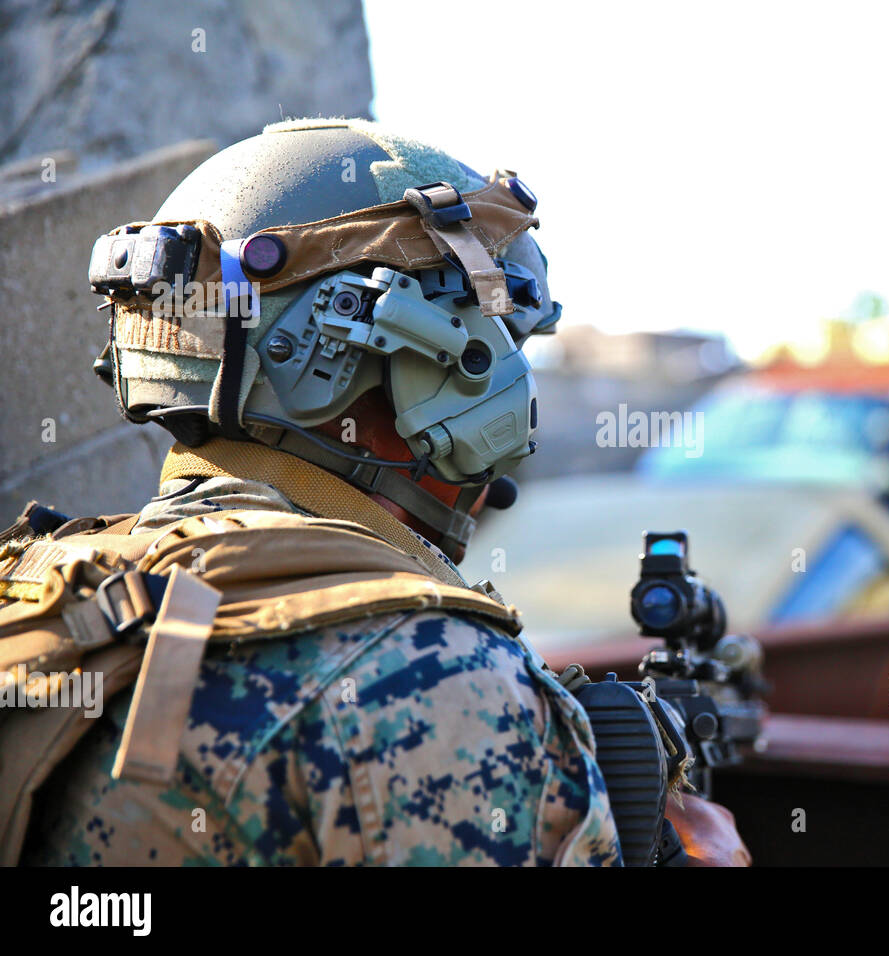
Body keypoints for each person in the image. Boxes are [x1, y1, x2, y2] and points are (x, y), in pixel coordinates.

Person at [6, 118, 748, 867]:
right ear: (421, 350)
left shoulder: (41, 582)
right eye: (504, 345)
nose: (512, 386)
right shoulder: (434, 679)